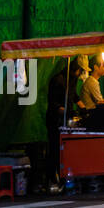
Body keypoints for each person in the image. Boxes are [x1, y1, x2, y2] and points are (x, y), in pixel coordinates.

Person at [44, 60, 82, 193]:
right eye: (79, 71)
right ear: (73, 70)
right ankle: (52, 180)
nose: (80, 74)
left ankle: (64, 178)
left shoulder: (72, 80)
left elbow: (74, 96)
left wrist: (83, 107)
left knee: (66, 151)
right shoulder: (58, 80)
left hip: (66, 119)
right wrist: (66, 111)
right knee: (55, 151)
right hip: (55, 121)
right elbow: (54, 104)